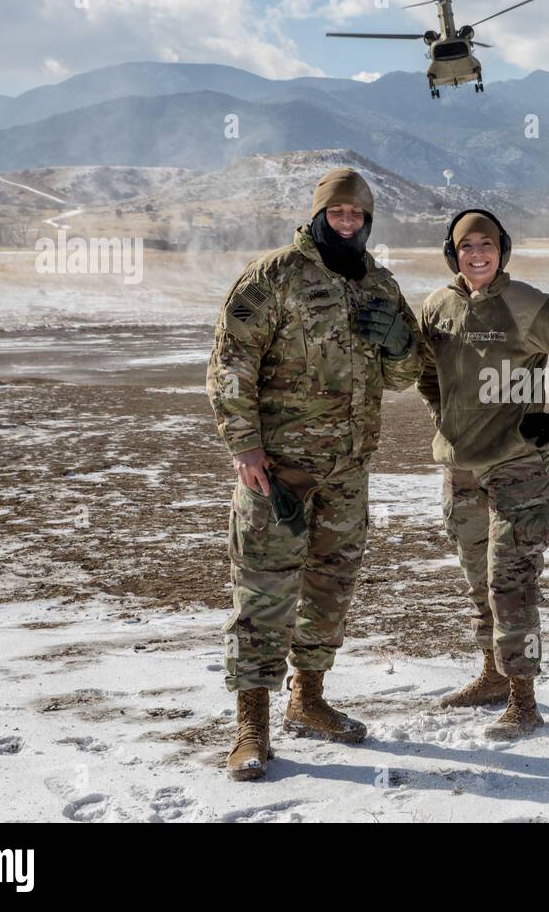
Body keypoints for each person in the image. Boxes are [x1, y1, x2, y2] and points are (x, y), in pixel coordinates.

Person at [206, 167, 420, 780]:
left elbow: (405, 377)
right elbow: (231, 362)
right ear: (319, 214)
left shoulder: (377, 282)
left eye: (357, 215)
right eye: (338, 213)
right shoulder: (275, 275)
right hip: (278, 472)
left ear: (368, 221)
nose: (347, 222)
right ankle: (252, 727)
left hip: (348, 471)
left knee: (330, 588)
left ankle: (310, 699)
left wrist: (400, 340)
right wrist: (244, 447)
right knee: (264, 593)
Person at [417, 209, 549, 739]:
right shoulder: (437, 306)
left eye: (487, 244)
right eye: (465, 246)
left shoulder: (525, 304)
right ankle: (490, 676)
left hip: (517, 469)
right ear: (451, 254)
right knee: (479, 583)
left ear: (502, 250)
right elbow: (424, 371)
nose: (476, 254)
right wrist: (444, 417)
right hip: (460, 472)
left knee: (513, 587)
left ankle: (523, 700)